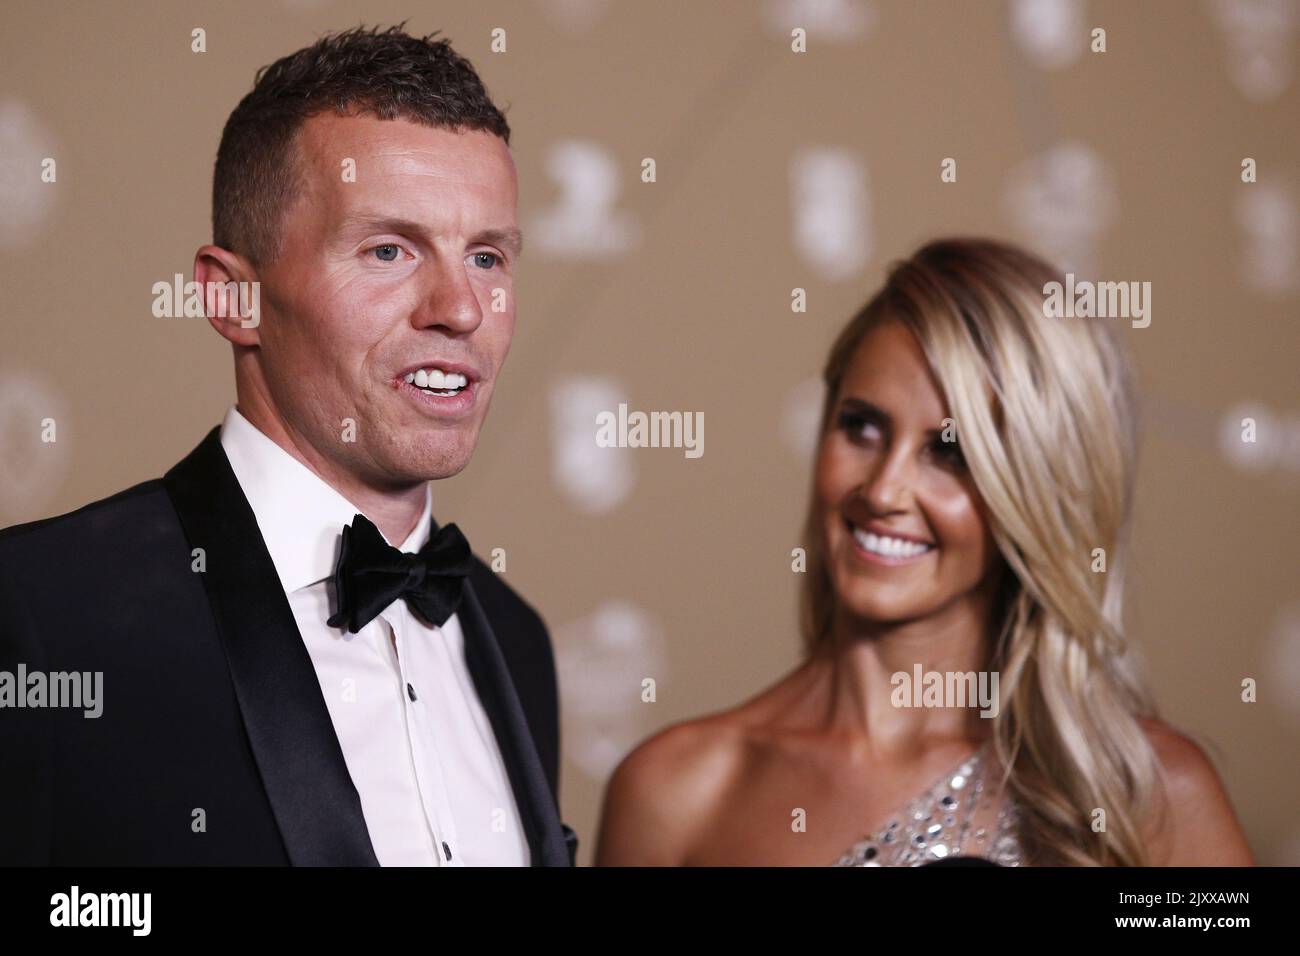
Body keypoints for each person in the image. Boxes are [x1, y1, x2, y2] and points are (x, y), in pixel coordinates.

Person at [0, 24, 576, 867]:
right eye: (389, 250)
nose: (460, 309)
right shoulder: (41, 611)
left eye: (487, 257)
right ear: (234, 298)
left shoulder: (517, 640)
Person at [595, 238, 1254, 866]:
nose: (883, 490)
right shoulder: (677, 792)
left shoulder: (1146, 795)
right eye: (862, 427)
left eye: (951, 451)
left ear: (1038, 490)